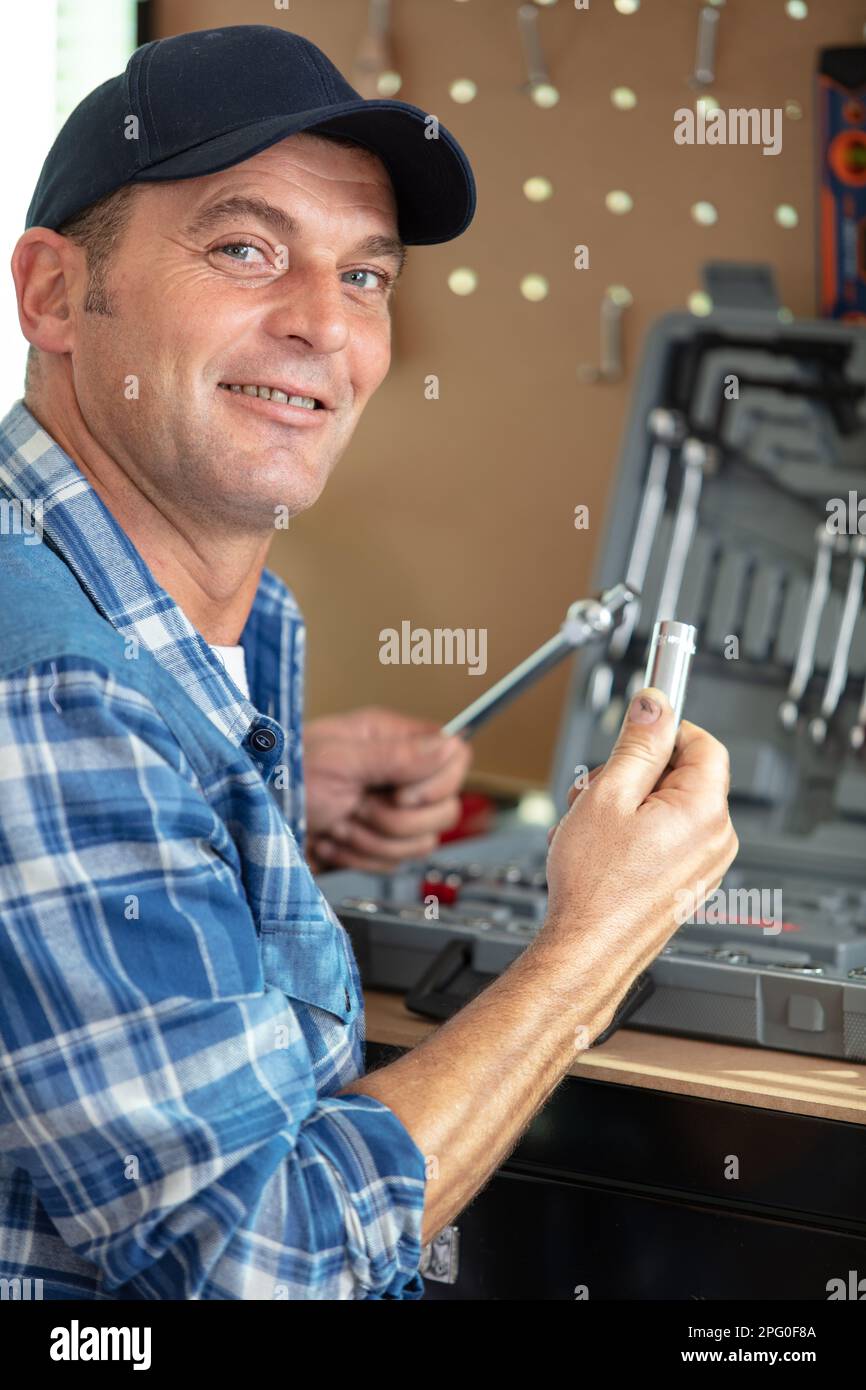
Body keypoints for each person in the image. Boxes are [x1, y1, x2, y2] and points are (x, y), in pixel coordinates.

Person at [0, 25, 737, 1300]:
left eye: (364, 277)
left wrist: (253, 832)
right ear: (55, 295)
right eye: (244, 249)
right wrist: (595, 939)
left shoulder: (180, 629)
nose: (319, 328)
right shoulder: (55, 689)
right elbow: (264, 1264)